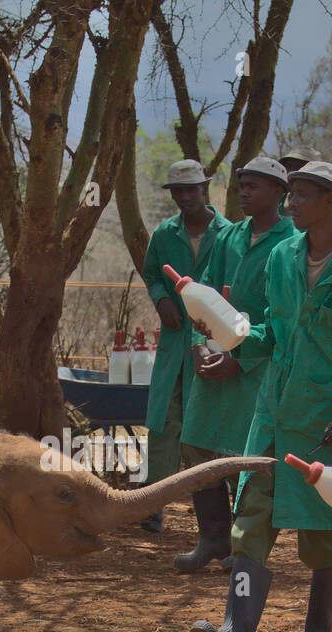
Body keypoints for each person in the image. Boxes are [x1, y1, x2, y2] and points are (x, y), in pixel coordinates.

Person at [190, 162, 332, 632]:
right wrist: (232, 346)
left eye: (303, 196)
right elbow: (273, 333)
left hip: (328, 425)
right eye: (292, 195)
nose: (292, 204)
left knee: (322, 532)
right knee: (251, 522)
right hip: (274, 416)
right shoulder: (282, 257)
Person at [173, 156, 295, 574]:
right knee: (198, 442)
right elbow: (202, 293)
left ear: (280, 192)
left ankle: (244, 545)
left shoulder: (290, 243)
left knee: (247, 454)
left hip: (254, 369)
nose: (244, 192)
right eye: (242, 185)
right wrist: (198, 344)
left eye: (255, 186)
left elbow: (282, 316)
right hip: (213, 359)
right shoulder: (229, 237)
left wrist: (238, 360)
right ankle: (212, 537)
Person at [139, 160, 232, 533]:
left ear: (204, 189)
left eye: (191, 189)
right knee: (163, 420)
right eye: (178, 191)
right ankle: (153, 503)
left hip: (211, 339)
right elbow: (152, 274)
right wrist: (161, 300)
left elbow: (232, 283)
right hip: (174, 339)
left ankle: (213, 509)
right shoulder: (165, 234)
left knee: (206, 422)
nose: (185, 197)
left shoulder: (228, 234)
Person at [277, 148, 320, 216]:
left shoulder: (321, 205)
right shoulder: (276, 199)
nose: (291, 171)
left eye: (299, 166)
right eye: (288, 166)